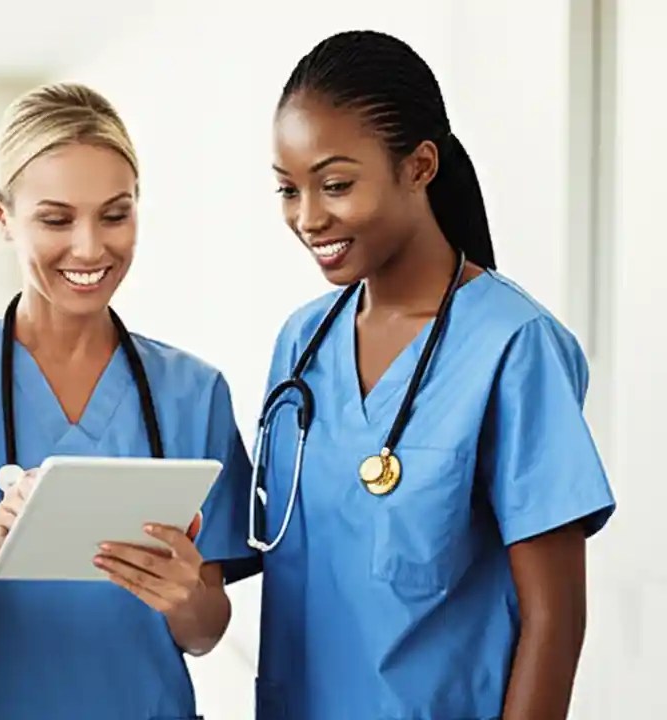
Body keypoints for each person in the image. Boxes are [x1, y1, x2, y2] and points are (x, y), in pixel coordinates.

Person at [0, 82, 257, 720]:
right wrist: (0, 530)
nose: (90, 247)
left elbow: (204, 633)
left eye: (115, 215)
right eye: (56, 219)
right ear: (1, 216)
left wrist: (186, 597)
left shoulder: (193, 392)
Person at [251, 29, 616, 719]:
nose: (308, 218)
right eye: (288, 189)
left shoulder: (513, 345)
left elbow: (555, 620)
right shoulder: (302, 344)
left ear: (419, 166)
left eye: (335, 185)